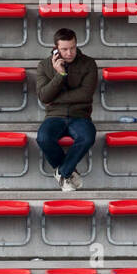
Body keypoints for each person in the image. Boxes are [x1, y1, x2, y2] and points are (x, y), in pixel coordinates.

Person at [35, 28, 98, 194]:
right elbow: (43, 96)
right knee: (43, 138)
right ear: (56, 48)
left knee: (87, 137)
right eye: (64, 49)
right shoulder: (44, 66)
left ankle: (62, 173)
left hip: (80, 115)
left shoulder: (88, 64)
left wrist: (55, 98)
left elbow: (85, 94)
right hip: (55, 116)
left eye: (73, 47)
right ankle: (69, 172)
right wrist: (60, 75)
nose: (70, 53)